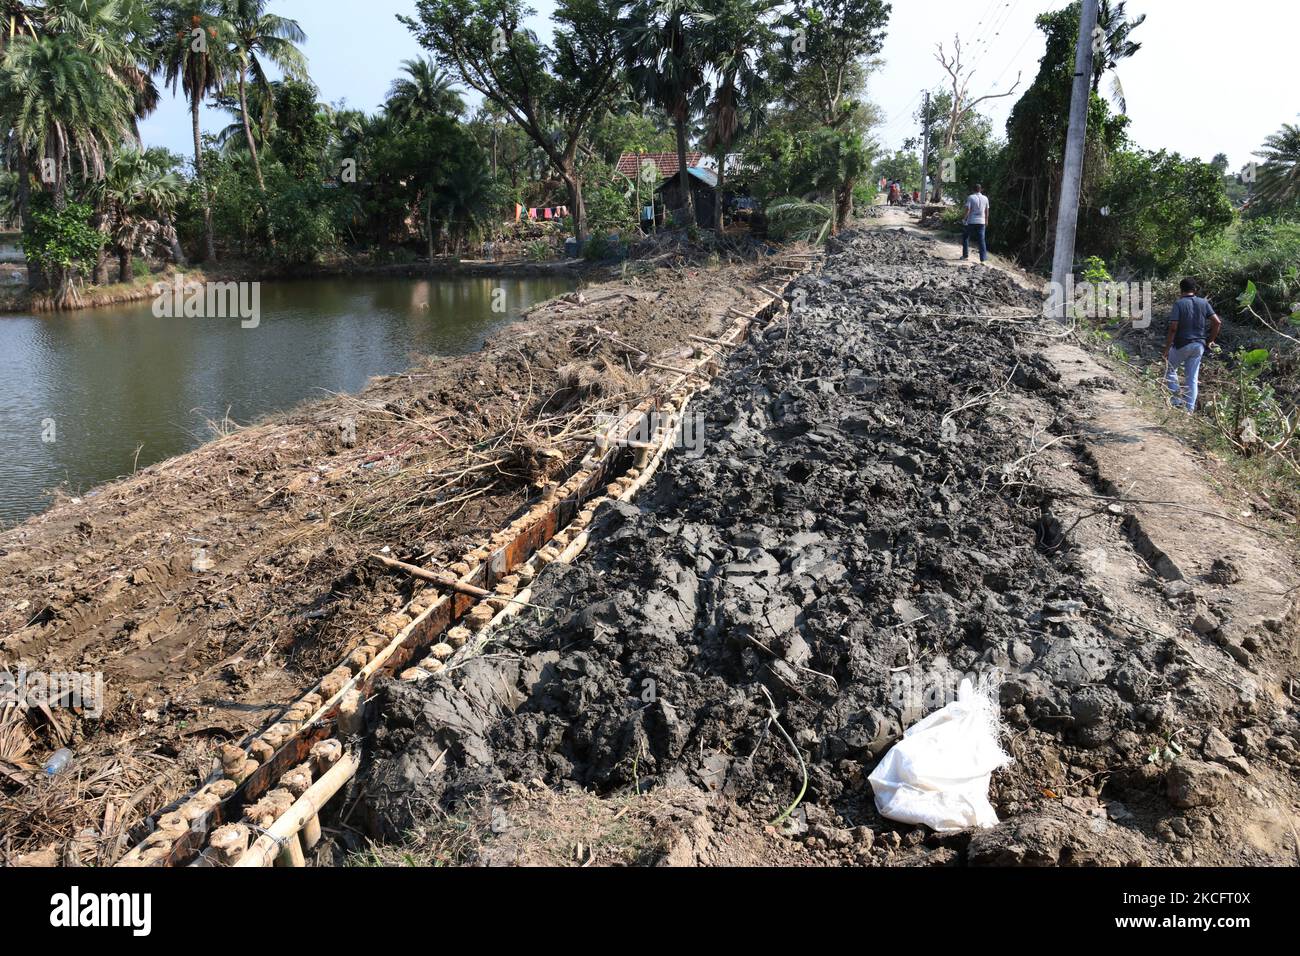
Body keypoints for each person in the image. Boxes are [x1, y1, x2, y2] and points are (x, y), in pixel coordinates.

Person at [1163, 278, 1222, 414]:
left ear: (1181, 290)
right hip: (1199, 346)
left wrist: (1167, 348)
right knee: (1192, 378)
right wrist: (1210, 341)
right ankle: (1189, 411)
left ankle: (1177, 401)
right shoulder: (1204, 303)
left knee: (1170, 369)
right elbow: (1217, 322)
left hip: (1182, 344)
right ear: (1195, 290)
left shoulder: (1179, 304)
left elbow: (1173, 328)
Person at [961, 184, 990, 262]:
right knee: (981, 240)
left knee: (966, 237)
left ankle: (965, 255)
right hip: (982, 222)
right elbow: (987, 211)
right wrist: (986, 220)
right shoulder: (985, 198)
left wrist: (964, 219)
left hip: (971, 221)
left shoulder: (970, 197)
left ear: (973, 190)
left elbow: (968, 210)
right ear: (981, 190)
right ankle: (983, 259)